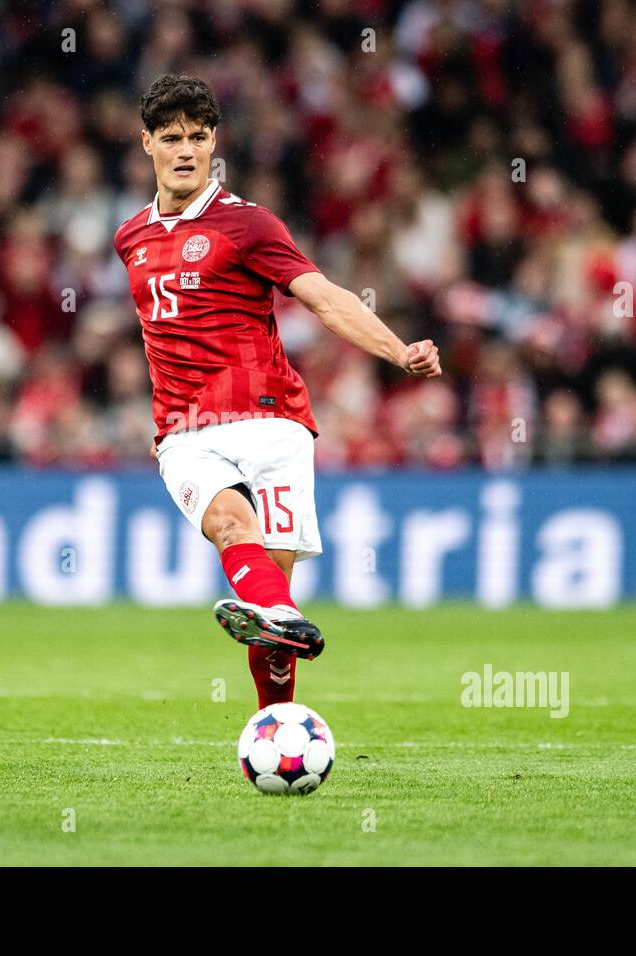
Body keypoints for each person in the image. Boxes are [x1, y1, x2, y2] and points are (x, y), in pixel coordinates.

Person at [114, 74, 440, 709]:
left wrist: (397, 350)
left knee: (273, 611)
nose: (187, 150)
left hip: (272, 423)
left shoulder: (248, 225)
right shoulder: (130, 238)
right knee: (234, 532)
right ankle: (279, 658)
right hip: (184, 434)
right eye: (172, 137)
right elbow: (162, 333)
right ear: (146, 142)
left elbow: (324, 298)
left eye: (199, 137)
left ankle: (279, 721)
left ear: (214, 143)